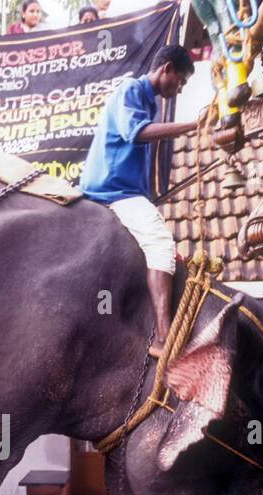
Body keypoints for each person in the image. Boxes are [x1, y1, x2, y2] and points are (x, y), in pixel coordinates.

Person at [80, 44, 197, 356]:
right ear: (167, 69)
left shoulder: (148, 104)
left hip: (125, 192)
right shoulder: (130, 89)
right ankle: (163, 339)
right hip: (113, 191)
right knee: (160, 244)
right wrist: (194, 125)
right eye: (181, 81)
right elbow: (136, 133)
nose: (180, 89)